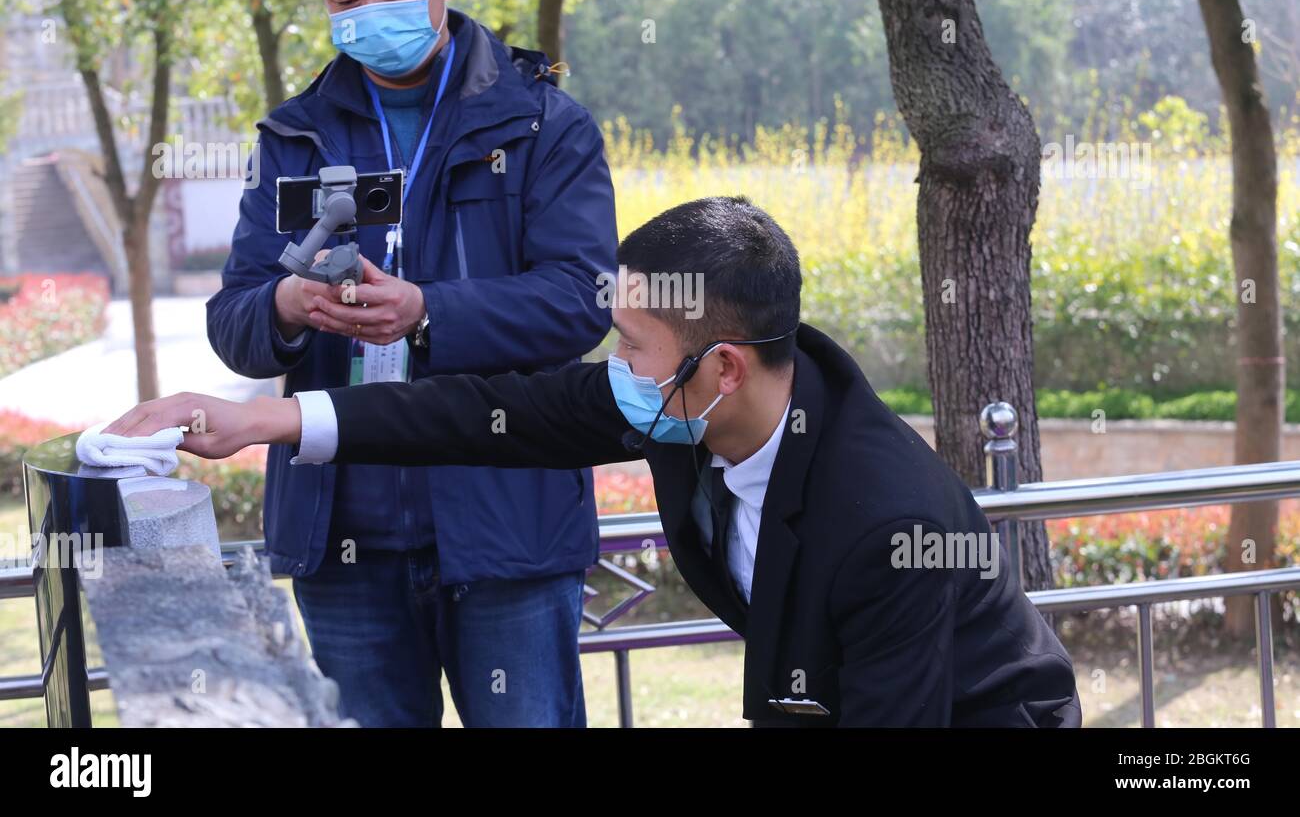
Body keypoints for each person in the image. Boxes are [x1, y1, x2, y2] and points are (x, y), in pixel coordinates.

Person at [117, 196, 1081, 727]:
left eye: (629, 345)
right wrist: (271, 420)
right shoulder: (690, 404)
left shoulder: (885, 519)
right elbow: (482, 414)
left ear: (724, 365)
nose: (614, 367)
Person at [205, 0, 616, 727]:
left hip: (508, 527)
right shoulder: (293, 138)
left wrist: (428, 312)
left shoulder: (541, 125)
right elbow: (234, 321)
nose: (369, 13)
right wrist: (287, 304)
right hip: (343, 535)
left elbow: (583, 299)